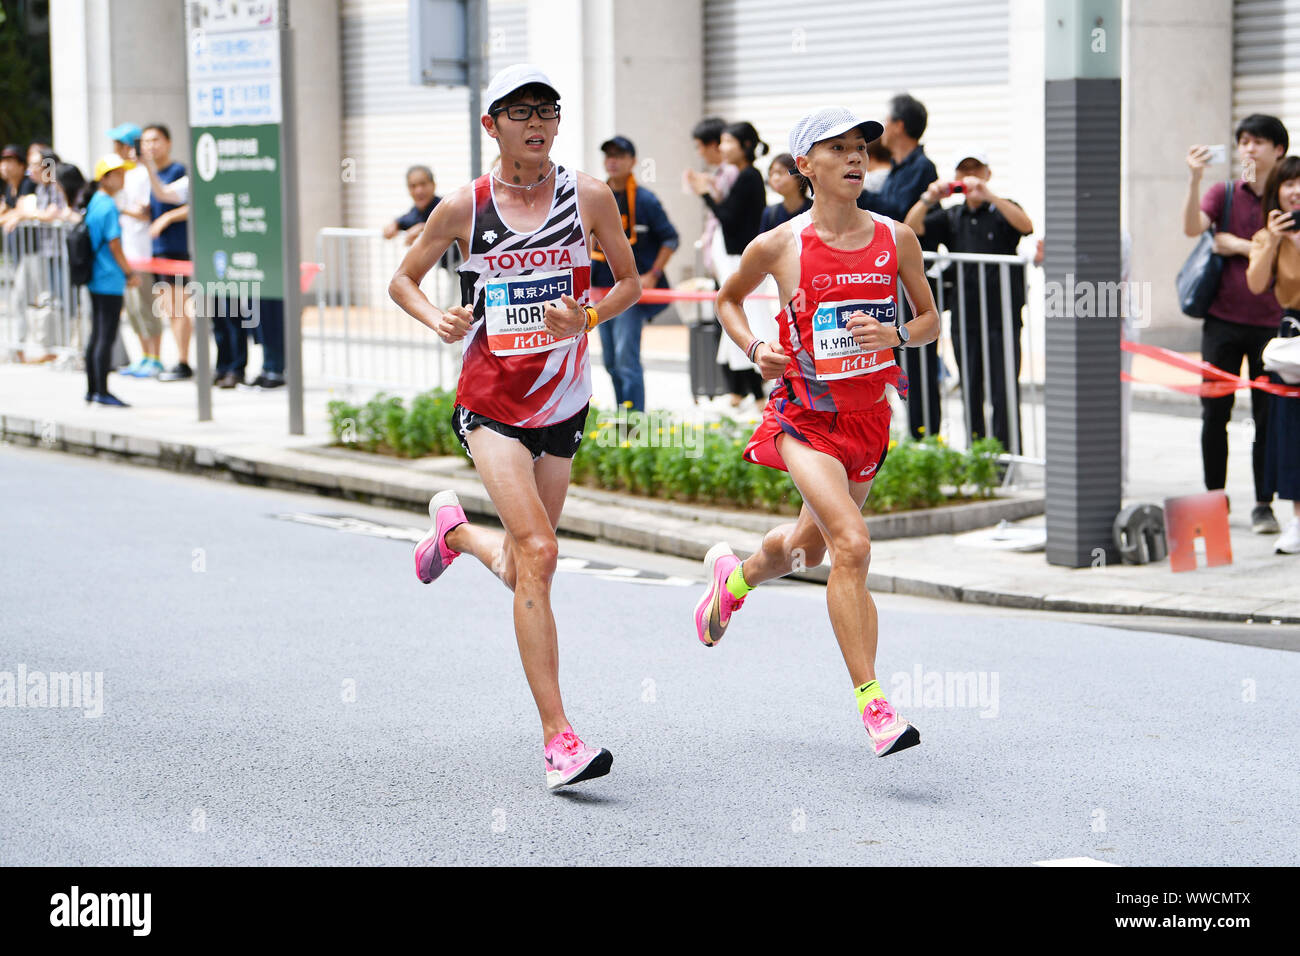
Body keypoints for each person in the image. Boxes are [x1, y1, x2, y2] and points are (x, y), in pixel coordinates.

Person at [389, 64, 640, 790]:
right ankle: (560, 738)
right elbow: (403, 278)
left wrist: (586, 316)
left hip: (565, 403)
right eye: (521, 111)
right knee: (536, 546)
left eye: (548, 110)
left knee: (534, 562)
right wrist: (436, 314)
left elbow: (629, 282)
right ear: (489, 124)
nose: (537, 122)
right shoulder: (462, 207)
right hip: (491, 400)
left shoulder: (587, 195)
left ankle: (457, 534)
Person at [698, 106, 939, 758]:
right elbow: (726, 299)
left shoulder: (896, 238)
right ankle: (875, 705)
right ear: (805, 165)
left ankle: (735, 578)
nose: (855, 158)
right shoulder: (781, 244)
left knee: (807, 547)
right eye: (836, 149)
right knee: (852, 546)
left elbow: (930, 323)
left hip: (869, 420)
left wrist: (896, 334)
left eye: (861, 147)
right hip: (804, 419)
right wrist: (754, 349)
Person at [905, 147, 1033, 451]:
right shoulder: (951, 215)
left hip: (1002, 315)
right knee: (971, 389)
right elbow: (912, 227)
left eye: (977, 170)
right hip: (965, 315)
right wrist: (929, 198)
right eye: (964, 172)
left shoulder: (1002, 208)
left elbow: (1026, 226)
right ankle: (979, 455)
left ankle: (1007, 457)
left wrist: (989, 196)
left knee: (1004, 390)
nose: (971, 177)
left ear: (988, 174)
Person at [858, 93, 942, 439]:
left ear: (899, 125)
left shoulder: (922, 167)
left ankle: (927, 436)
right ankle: (915, 432)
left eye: (887, 121)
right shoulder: (896, 168)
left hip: (912, 277)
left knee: (919, 360)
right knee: (900, 362)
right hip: (888, 277)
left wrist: (857, 188)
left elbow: (898, 211)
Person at [589, 135, 679, 411]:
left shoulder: (645, 200)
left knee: (626, 359)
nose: (613, 161)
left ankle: (634, 423)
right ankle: (623, 417)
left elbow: (671, 238)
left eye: (619, 155)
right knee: (611, 361)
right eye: (609, 155)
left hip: (629, 290)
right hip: (600, 288)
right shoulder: (595, 196)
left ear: (633, 161)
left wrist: (653, 273)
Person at [688, 120, 770, 406]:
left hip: (741, 260)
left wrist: (705, 193)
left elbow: (729, 216)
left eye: (729, 142)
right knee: (739, 320)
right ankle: (746, 391)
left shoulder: (749, 177)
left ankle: (758, 393)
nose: (723, 148)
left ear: (745, 146)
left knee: (750, 321)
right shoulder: (745, 176)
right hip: (734, 259)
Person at [1245, 154, 1300, 554]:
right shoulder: (1268, 235)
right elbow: (1257, 284)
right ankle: (1298, 520)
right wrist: (1279, 241)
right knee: (1293, 430)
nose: (1295, 191)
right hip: (1294, 340)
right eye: (1288, 184)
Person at [103, 123, 165, 379]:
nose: (117, 148)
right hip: (127, 250)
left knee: (146, 305)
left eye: (121, 144)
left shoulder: (142, 174)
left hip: (142, 250)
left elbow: (143, 212)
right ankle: (144, 357)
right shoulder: (125, 174)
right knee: (133, 308)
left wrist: (118, 209)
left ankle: (155, 358)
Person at [81, 155, 141, 407]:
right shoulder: (107, 206)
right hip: (109, 278)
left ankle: (93, 390)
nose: (122, 177)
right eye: (117, 173)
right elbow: (115, 244)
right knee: (106, 335)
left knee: (97, 334)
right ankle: (102, 392)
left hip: (97, 276)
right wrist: (129, 273)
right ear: (104, 178)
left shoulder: (96, 201)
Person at [139, 124, 194, 382]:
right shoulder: (150, 174)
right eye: (146, 141)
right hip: (157, 250)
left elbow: (190, 205)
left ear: (168, 142)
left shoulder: (178, 170)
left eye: (155, 140)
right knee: (169, 309)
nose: (150, 146)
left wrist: (168, 218)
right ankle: (178, 360)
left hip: (177, 249)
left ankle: (184, 361)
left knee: (179, 307)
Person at [683, 117, 736, 281]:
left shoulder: (732, 172)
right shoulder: (721, 173)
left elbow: (725, 212)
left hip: (729, 250)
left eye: (700, 146)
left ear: (713, 144)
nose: (699, 153)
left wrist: (705, 190)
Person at [759, 152, 811, 233]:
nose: (775, 178)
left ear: (798, 174)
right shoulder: (770, 213)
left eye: (780, 172)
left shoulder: (814, 210)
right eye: (771, 174)